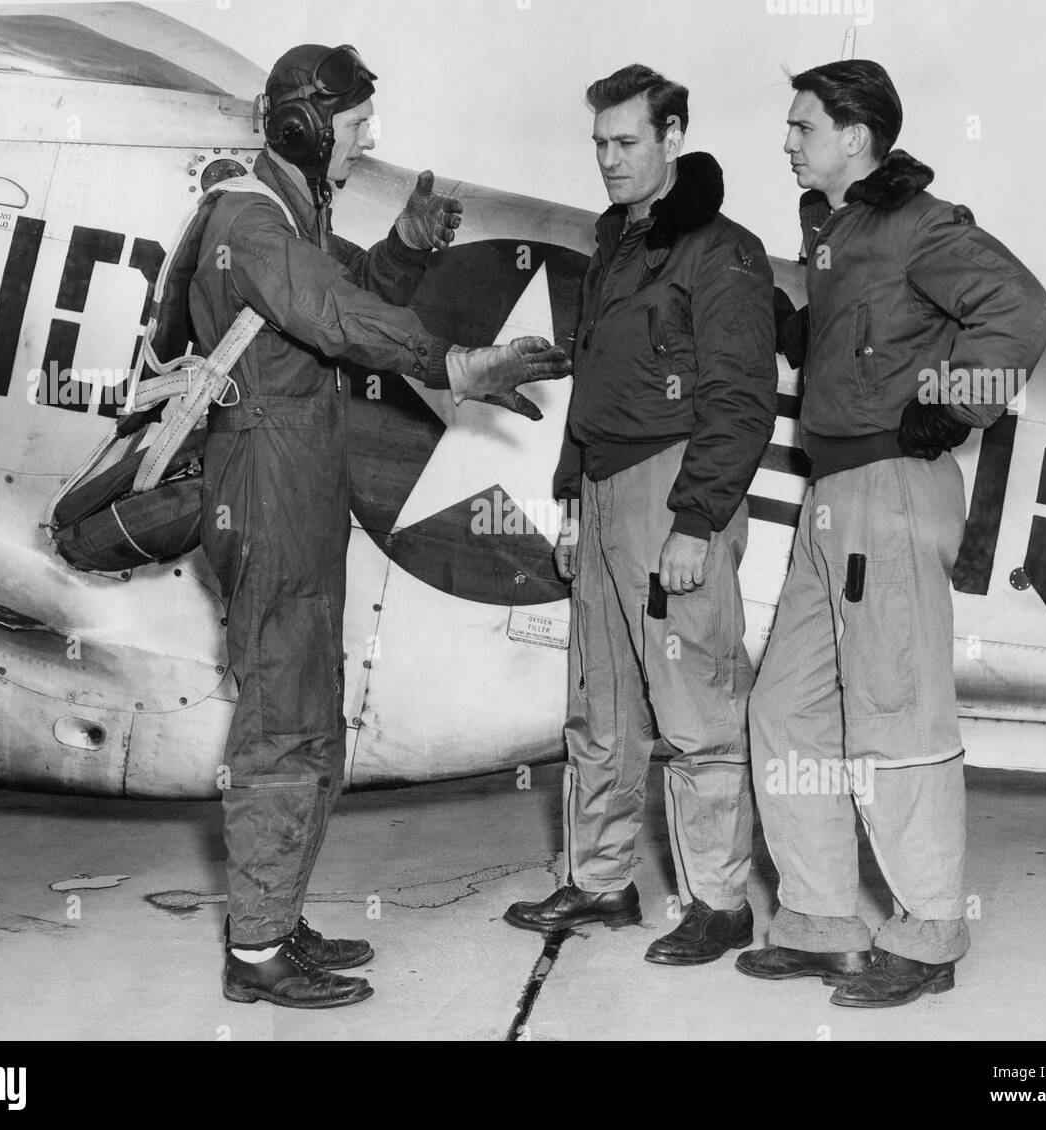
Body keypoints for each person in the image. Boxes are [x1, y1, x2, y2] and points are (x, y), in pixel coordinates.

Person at [194, 43, 571, 1009]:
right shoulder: (249, 220)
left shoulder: (292, 216)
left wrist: (404, 247)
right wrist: (457, 365)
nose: (368, 142)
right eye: (357, 126)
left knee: (311, 712)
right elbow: (333, 315)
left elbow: (353, 291)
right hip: (268, 478)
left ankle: (275, 917)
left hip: (298, 476)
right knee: (282, 718)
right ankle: (256, 953)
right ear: (305, 128)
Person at [737, 59, 1046, 1005]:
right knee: (785, 708)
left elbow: (1022, 308)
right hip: (832, 493)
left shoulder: (919, 222)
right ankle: (821, 918)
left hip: (891, 488)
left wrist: (953, 406)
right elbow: (870, 340)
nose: (787, 142)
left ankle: (928, 933)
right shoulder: (836, 232)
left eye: (802, 127)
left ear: (856, 137)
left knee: (895, 711)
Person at [503, 64, 778, 966]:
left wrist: (695, 522)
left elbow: (741, 400)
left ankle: (720, 903)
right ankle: (601, 880)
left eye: (626, 142)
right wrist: (572, 497)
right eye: (599, 144)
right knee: (601, 708)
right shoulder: (616, 241)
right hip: (603, 491)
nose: (609, 159)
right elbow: (594, 383)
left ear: (673, 137)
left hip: (673, 489)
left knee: (697, 709)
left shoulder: (723, 252)